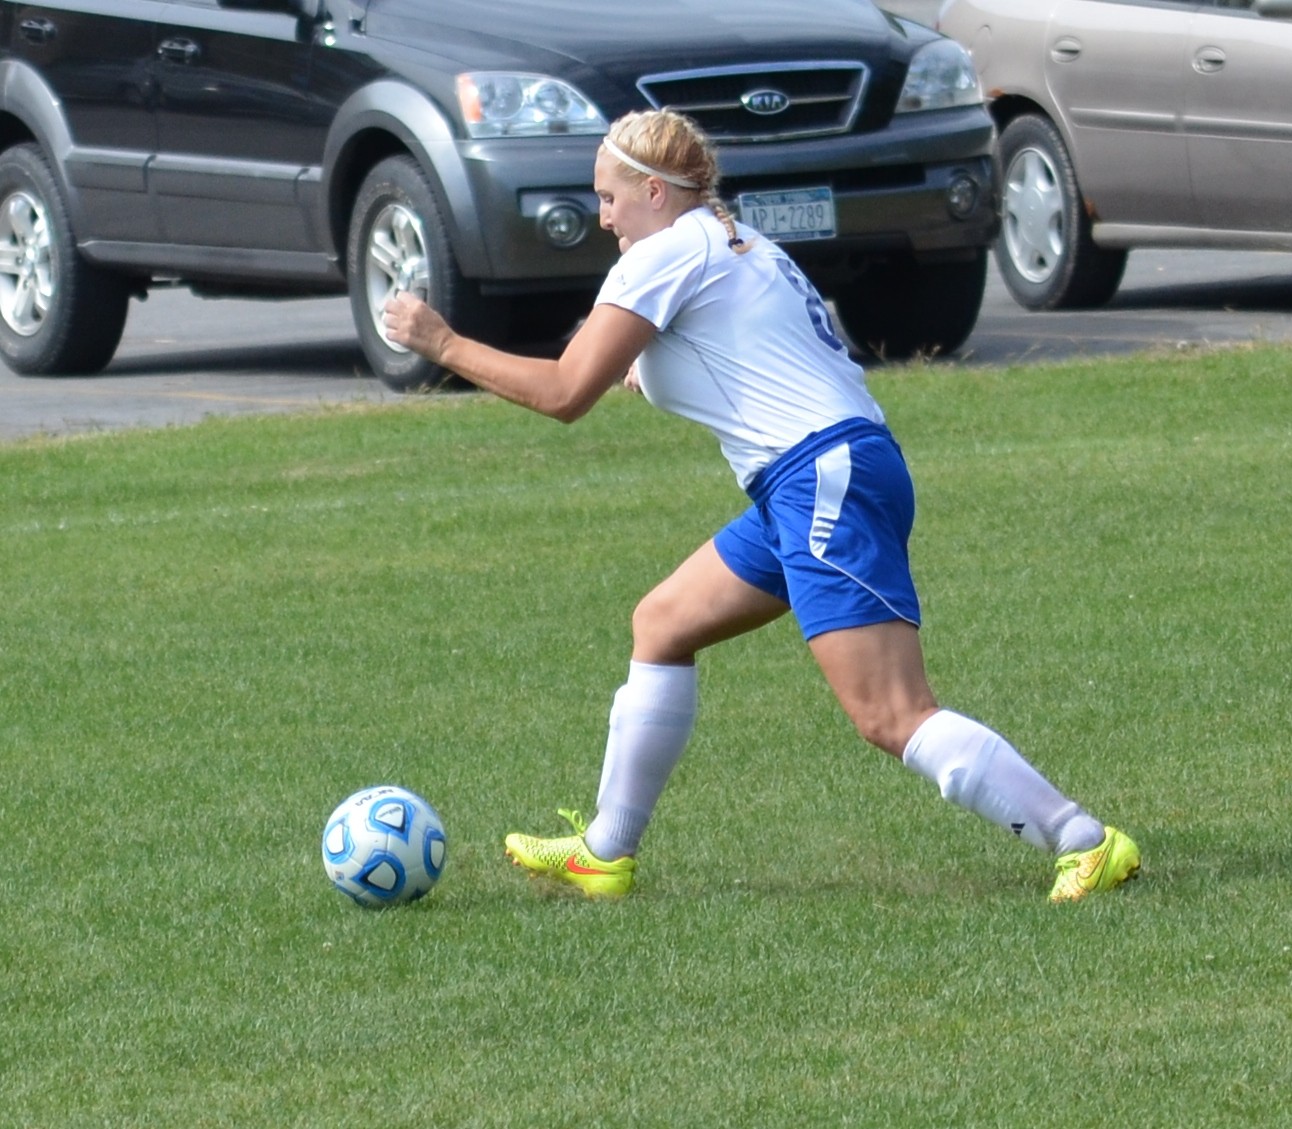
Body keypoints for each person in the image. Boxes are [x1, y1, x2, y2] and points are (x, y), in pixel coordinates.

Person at [383, 109, 1141, 904]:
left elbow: (565, 392)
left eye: (608, 197)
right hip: (822, 474)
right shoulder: (731, 241)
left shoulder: (666, 253)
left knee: (889, 712)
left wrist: (442, 343)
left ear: (653, 191)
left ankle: (1081, 839)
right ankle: (605, 851)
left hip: (821, 478)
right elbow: (734, 351)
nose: (602, 216)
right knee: (662, 623)